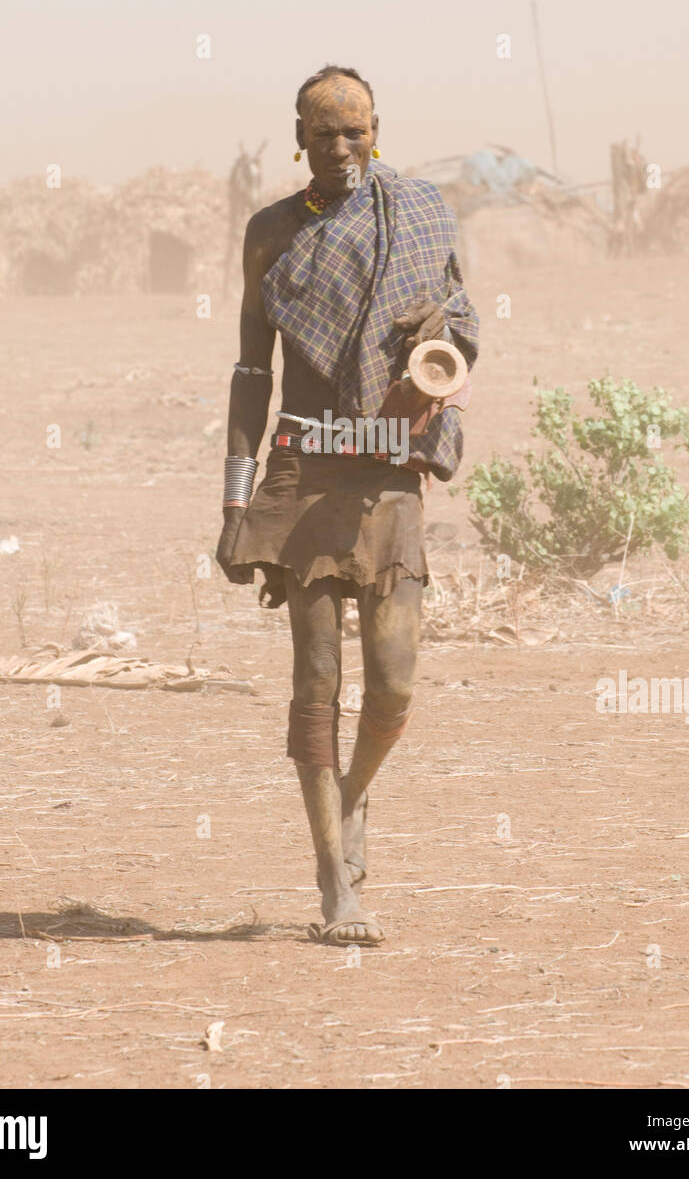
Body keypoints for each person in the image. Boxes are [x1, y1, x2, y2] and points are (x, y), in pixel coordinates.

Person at [216, 65, 479, 946]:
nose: (339, 148)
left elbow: (460, 321)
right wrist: (234, 496)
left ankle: (353, 797)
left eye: (354, 131)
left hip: (388, 464)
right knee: (318, 680)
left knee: (396, 680)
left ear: (378, 132)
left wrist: (435, 344)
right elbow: (253, 371)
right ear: (298, 135)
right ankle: (335, 882)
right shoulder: (271, 234)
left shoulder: (419, 214)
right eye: (322, 132)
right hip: (303, 468)